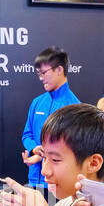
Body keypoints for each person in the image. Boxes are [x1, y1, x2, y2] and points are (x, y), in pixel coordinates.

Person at [22, 47, 80, 191]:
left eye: (43, 73)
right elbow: (27, 135)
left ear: (59, 70)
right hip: (34, 179)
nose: (41, 78)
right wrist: (34, 149)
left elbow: (72, 149)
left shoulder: (74, 107)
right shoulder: (37, 102)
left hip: (59, 183)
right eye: (38, 73)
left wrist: (44, 156)